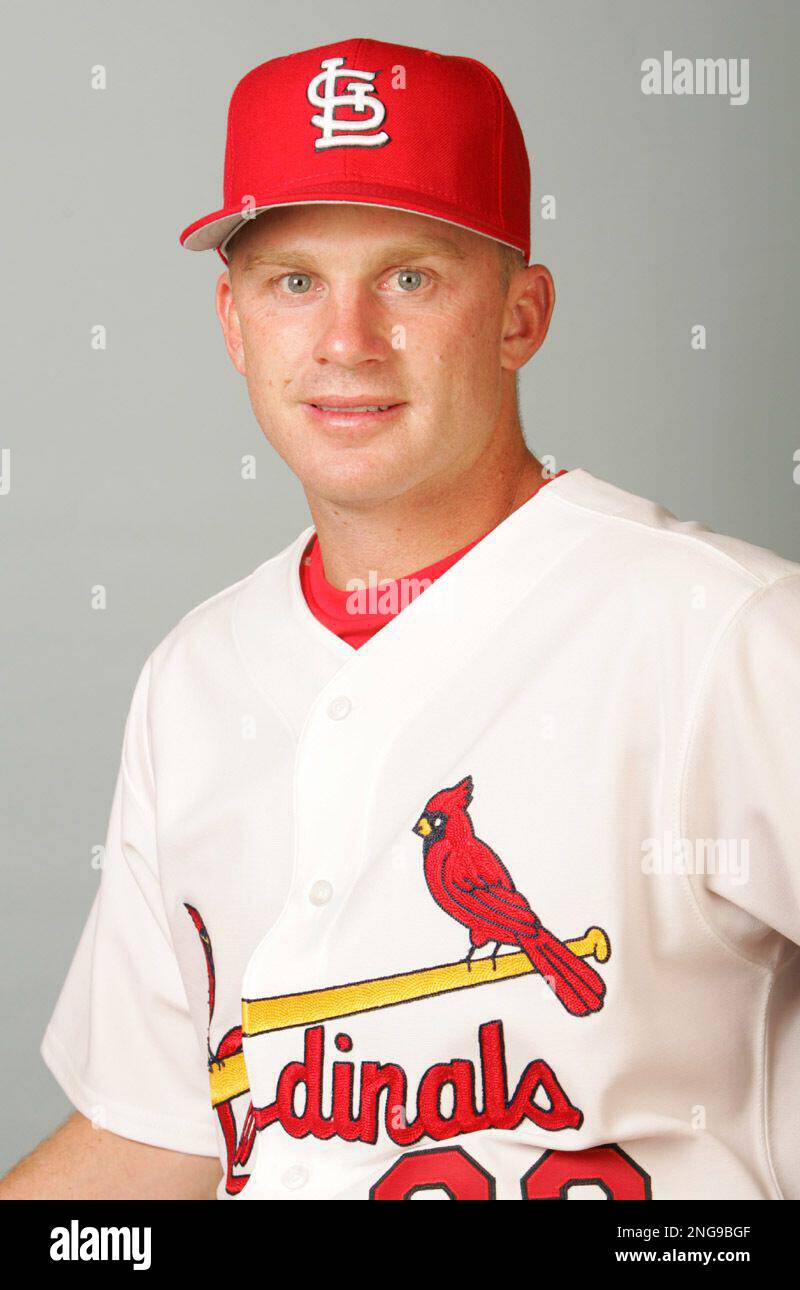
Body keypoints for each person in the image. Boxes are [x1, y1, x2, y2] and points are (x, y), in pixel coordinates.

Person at [3, 36, 799, 1201]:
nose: (346, 342)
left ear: (520, 315)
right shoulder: (195, 679)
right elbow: (156, 1135)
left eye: (410, 277)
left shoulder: (722, 633)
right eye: (293, 282)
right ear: (233, 324)